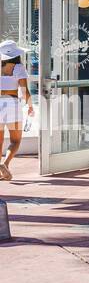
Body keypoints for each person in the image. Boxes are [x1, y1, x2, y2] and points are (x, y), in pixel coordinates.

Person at [0, 40, 34, 182]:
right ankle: (5, 164)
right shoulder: (18, 67)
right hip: (12, 104)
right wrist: (30, 106)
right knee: (15, 140)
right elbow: (24, 91)